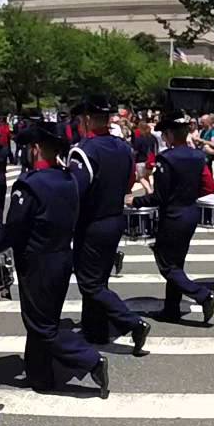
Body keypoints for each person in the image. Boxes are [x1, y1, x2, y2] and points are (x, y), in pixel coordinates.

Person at [0, 122, 111, 397]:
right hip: (61, 257)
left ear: (35, 149)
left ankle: (90, 360)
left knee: (42, 325)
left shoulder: (30, 184)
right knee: (42, 320)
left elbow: (14, 229)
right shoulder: (69, 179)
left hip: (38, 262)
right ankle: (41, 376)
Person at [68, 98, 152, 353]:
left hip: (92, 222)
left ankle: (132, 323)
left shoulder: (84, 150)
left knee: (89, 283)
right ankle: (95, 330)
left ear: (86, 120)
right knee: (99, 280)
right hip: (115, 218)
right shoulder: (123, 148)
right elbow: (128, 184)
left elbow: (76, 192)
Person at [130, 112, 214, 322]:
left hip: (172, 217)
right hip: (190, 214)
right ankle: (172, 309)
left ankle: (203, 295)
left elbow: (159, 197)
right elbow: (209, 187)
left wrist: (134, 201)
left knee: (167, 265)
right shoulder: (198, 156)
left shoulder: (166, 159)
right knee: (176, 264)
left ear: (170, 134)